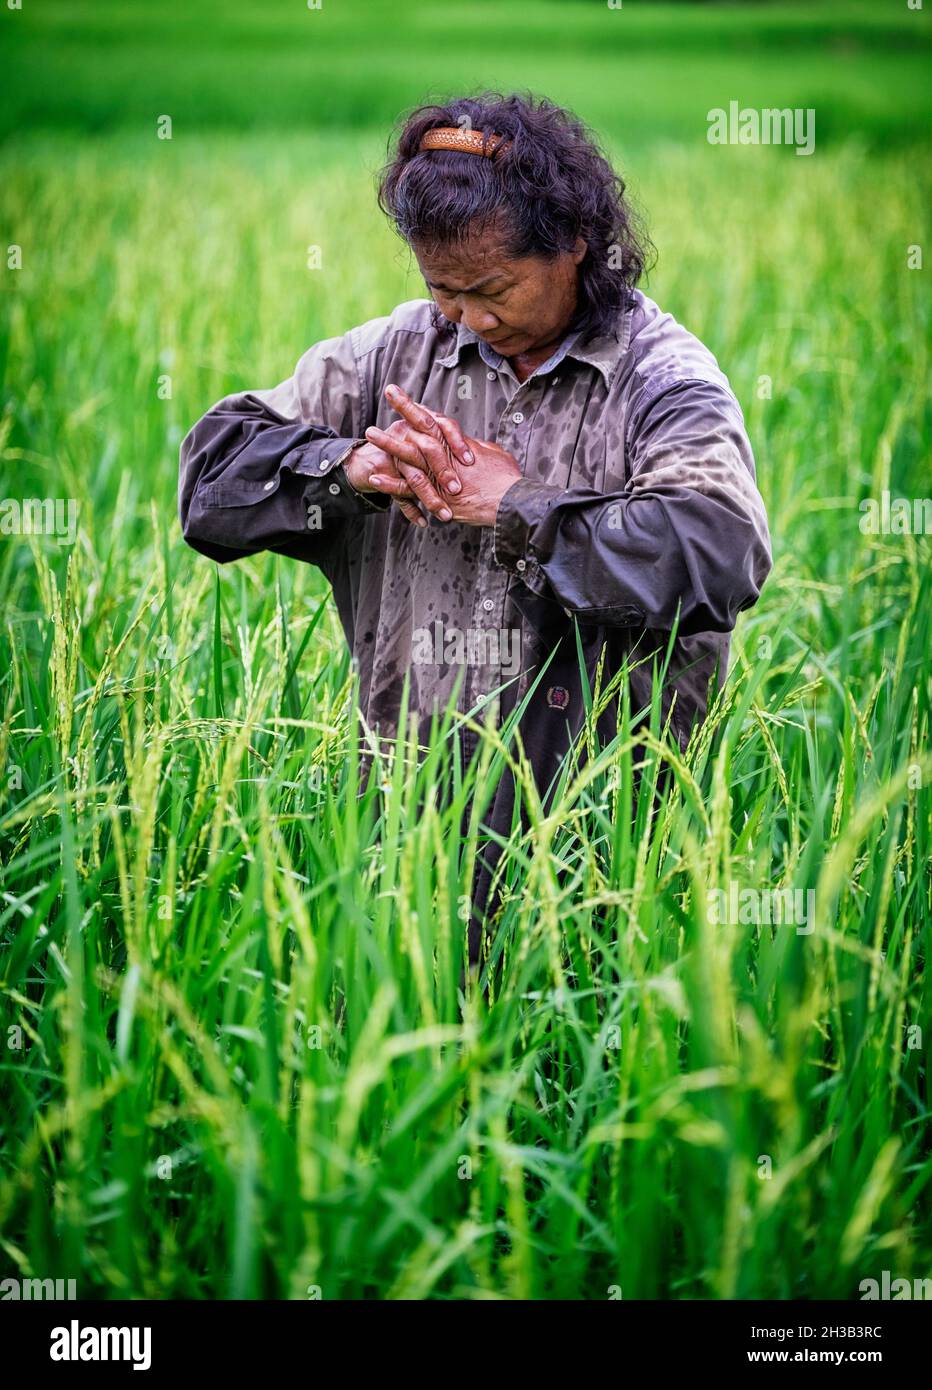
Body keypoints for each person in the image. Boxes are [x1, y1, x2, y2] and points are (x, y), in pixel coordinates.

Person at [179, 92, 772, 963]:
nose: (467, 318)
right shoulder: (395, 357)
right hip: (406, 839)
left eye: (491, 290)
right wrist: (348, 472)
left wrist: (516, 505)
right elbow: (211, 479)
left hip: (605, 843)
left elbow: (721, 552)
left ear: (573, 244)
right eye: (440, 288)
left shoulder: (660, 379)